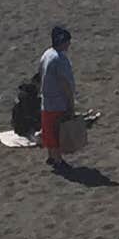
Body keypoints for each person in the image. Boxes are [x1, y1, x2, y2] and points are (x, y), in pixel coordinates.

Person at [38, 25, 78, 169]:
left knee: (48, 131)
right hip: (57, 102)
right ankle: (58, 160)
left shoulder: (47, 54)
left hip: (46, 100)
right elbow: (65, 83)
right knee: (56, 132)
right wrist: (71, 104)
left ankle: (51, 157)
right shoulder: (59, 59)